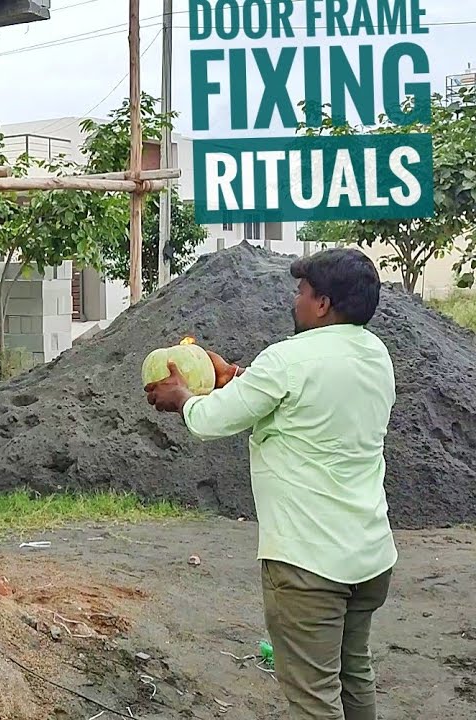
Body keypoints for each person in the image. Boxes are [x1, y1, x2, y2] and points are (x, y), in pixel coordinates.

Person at [145, 247, 396, 720]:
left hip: (309, 565)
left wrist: (184, 397)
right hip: (369, 557)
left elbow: (212, 420)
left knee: (313, 696)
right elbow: (297, 403)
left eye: (301, 292)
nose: (294, 301)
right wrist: (235, 376)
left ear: (322, 304)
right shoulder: (375, 354)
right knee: (352, 674)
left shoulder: (288, 358)